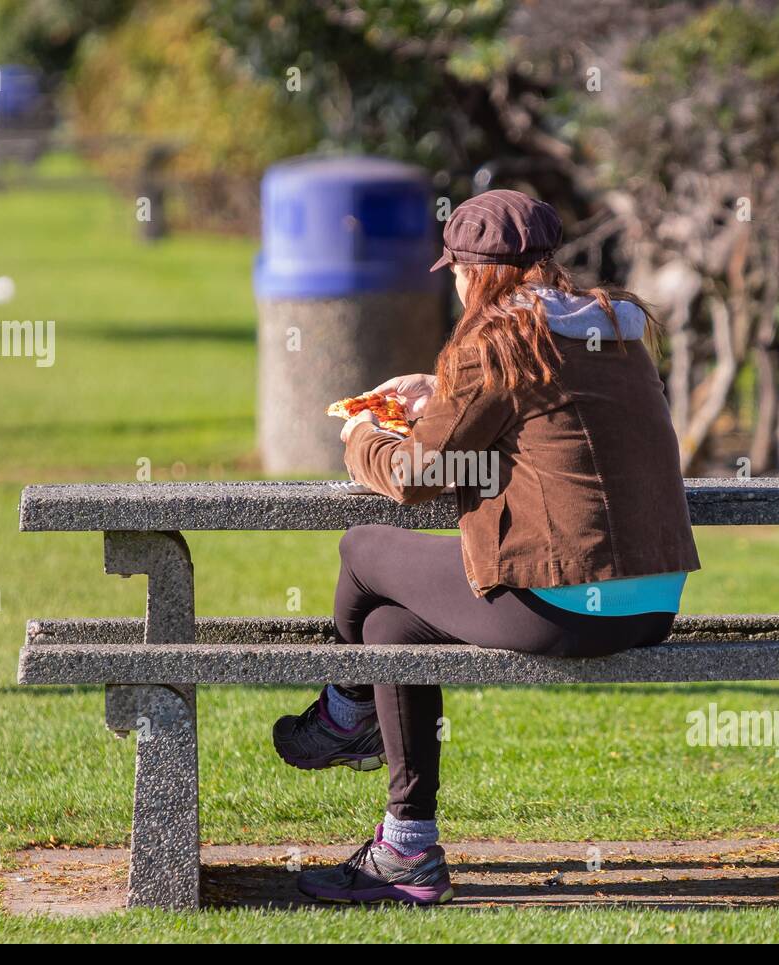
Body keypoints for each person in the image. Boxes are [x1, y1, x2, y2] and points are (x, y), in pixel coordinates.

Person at [272, 189, 701, 905]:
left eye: (460, 272)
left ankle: (345, 712)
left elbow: (412, 479)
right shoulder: (610, 327)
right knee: (388, 630)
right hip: (652, 601)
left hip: (562, 605)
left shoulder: (494, 341)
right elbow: (557, 405)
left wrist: (361, 441)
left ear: (476, 271)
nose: (460, 285)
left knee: (362, 548)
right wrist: (437, 390)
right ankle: (405, 850)